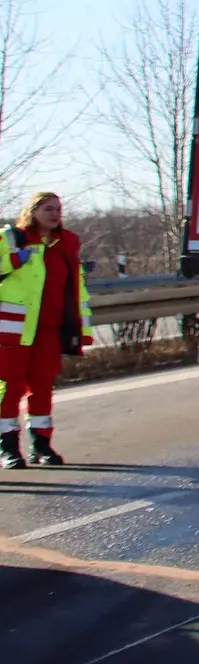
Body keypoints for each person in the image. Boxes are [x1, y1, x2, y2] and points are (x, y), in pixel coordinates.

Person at [0, 192, 93, 468]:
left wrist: (81, 326)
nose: (55, 214)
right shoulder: (10, 239)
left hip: (49, 330)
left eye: (58, 209)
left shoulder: (63, 245)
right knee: (10, 388)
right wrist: (16, 259)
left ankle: (41, 445)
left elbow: (77, 290)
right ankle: (8, 448)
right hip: (12, 328)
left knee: (42, 387)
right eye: (48, 209)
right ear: (33, 211)